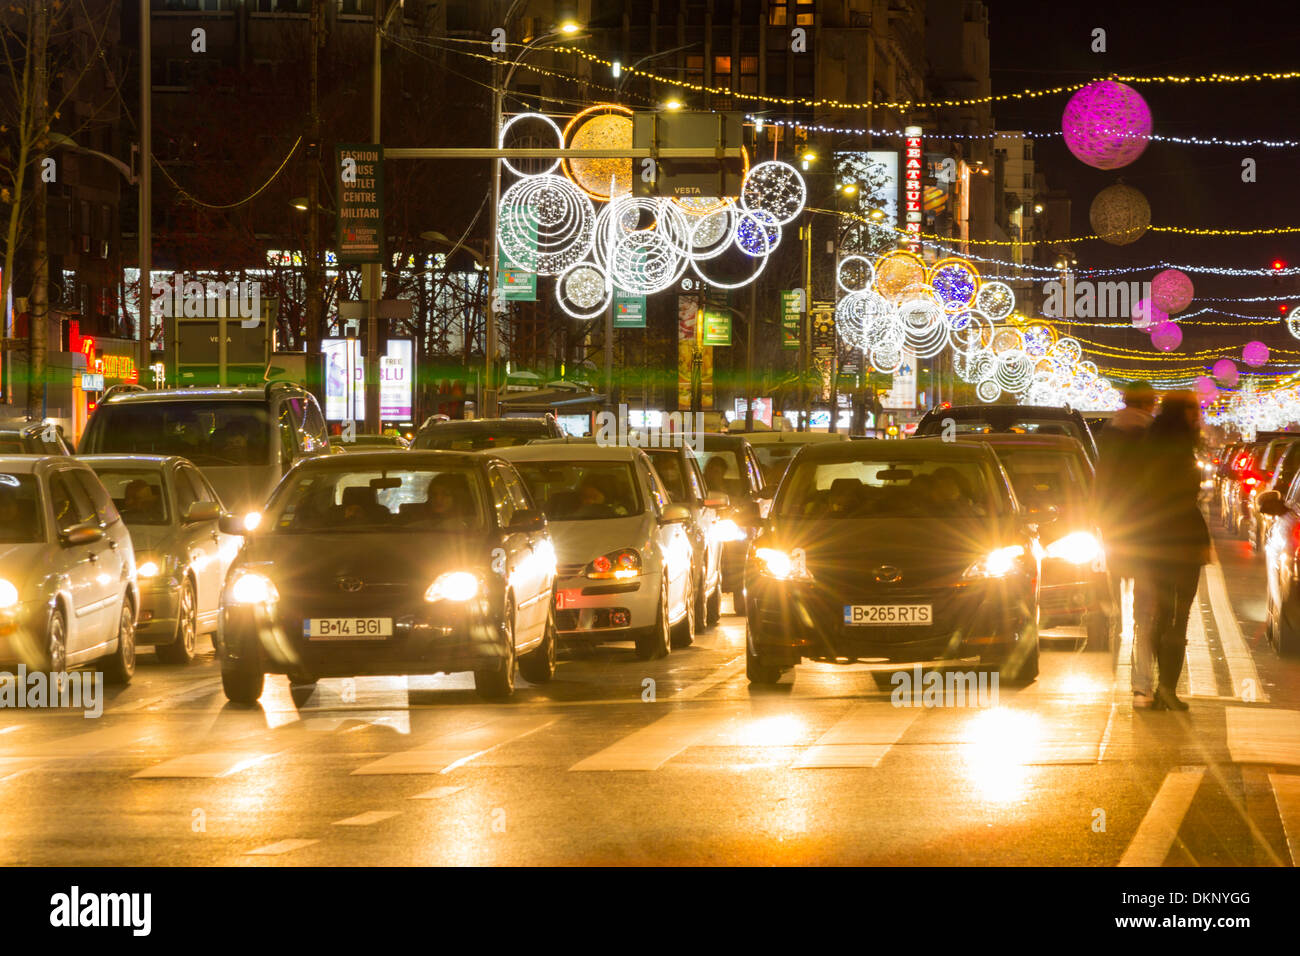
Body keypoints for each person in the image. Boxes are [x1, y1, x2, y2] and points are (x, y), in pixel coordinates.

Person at [1136, 391, 1211, 712]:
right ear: (1180, 413)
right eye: (1192, 409)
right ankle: (1167, 688)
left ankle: (1161, 686)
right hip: (1182, 537)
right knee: (1178, 616)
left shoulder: (1151, 444)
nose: (1197, 414)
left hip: (1156, 537)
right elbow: (1183, 493)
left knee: (1164, 613)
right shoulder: (1181, 448)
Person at [1095, 380, 1157, 707]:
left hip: (1115, 530)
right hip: (1150, 534)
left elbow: (1100, 482)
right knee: (1145, 613)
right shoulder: (1155, 435)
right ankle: (1141, 686)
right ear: (1150, 403)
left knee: (1113, 604)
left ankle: (1108, 668)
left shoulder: (1109, 434)